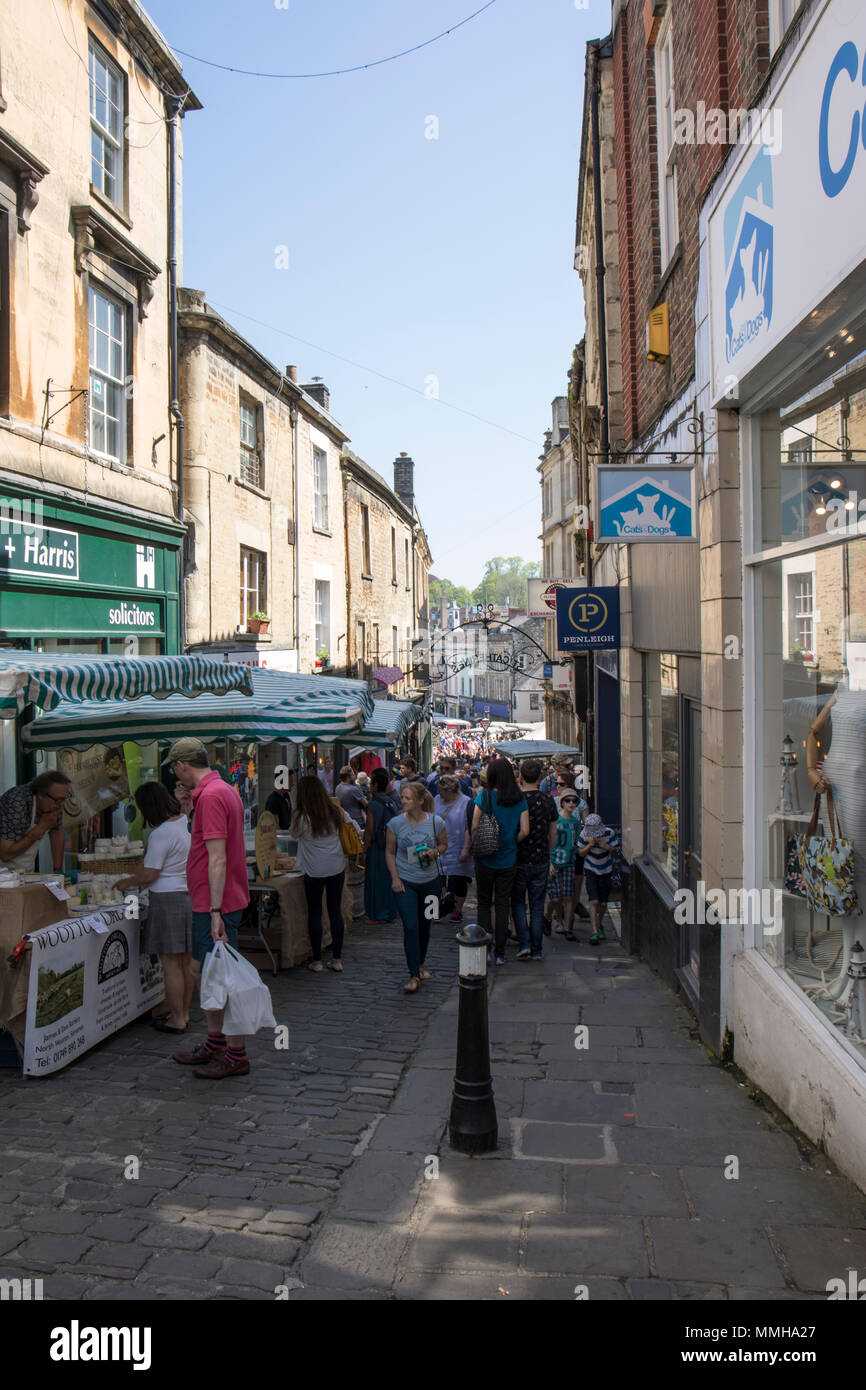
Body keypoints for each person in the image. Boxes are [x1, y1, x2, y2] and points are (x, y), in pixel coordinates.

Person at [166, 738, 251, 1081]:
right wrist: (189, 809)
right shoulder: (217, 790)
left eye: (174, 770)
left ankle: (236, 1053)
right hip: (215, 900)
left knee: (218, 977)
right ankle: (217, 1043)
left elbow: (217, 857)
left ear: (181, 766)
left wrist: (215, 911)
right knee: (205, 973)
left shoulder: (213, 795)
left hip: (216, 902)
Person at [115, 782, 192, 1034]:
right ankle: (185, 1012)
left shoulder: (160, 834)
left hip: (167, 900)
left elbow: (150, 874)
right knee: (186, 962)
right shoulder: (184, 822)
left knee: (170, 963)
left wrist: (126, 881)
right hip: (188, 895)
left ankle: (177, 1018)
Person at [386, 781, 447, 994]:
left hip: (431, 882)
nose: (403, 801)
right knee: (410, 925)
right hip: (406, 882)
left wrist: (434, 852)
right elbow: (389, 852)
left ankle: (420, 963)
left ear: (420, 800)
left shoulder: (436, 822)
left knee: (426, 924)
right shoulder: (395, 824)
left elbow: (443, 845)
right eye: (402, 797)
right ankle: (413, 974)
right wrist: (395, 878)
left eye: (408, 798)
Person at [292, 774, 354, 973]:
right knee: (335, 911)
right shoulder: (335, 811)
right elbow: (353, 825)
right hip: (336, 867)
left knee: (315, 912)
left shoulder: (302, 816)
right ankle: (337, 959)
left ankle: (317, 960)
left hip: (313, 870)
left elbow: (293, 834)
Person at [471, 758, 529, 965]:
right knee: (503, 903)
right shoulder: (519, 799)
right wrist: (511, 841)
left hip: (486, 857)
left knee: (485, 903)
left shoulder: (484, 797)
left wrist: (476, 846)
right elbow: (525, 831)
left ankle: (485, 948)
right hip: (508, 858)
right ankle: (500, 952)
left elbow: (475, 826)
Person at [512, 759, 558, 960]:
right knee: (538, 905)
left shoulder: (515, 800)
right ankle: (537, 949)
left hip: (518, 858)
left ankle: (525, 944)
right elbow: (553, 832)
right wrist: (549, 856)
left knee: (519, 903)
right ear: (540, 777)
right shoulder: (548, 800)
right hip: (540, 858)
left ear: (521, 776)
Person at [0, 769, 72, 873]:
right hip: (3, 875)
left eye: (64, 799)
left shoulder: (54, 802)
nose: (61, 805)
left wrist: (58, 871)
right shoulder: (16, 803)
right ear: (41, 795)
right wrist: (40, 828)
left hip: (25, 871)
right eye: (58, 800)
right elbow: (6, 854)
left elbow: (57, 832)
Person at [433, 774, 474, 924]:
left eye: (441, 791)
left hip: (458, 845)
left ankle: (457, 910)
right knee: (437, 880)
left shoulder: (466, 802)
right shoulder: (436, 800)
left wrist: (465, 849)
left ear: (449, 790)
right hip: (439, 845)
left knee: (458, 879)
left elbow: (469, 828)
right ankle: (435, 910)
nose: (438, 793)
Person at [362, 768, 401, 923]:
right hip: (390, 847)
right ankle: (390, 911)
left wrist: (364, 850)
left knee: (375, 881)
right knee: (388, 880)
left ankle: (378, 914)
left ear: (376, 786)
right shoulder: (391, 802)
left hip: (377, 848)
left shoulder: (373, 805)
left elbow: (369, 830)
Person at [578, 812, 618, 944]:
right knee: (594, 900)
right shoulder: (584, 834)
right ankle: (594, 931)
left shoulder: (609, 833)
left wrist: (606, 846)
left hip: (606, 869)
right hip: (591, 869)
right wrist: (590, 845)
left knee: (603, 903)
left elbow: (615, 850)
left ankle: (599, 924)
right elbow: (580, 853)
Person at [548, 788, 583, 940]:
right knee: (555, 897)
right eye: (568, 800)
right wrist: (549, 862)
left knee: (569, 896)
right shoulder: (555, 820)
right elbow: (549, 841)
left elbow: (576, 842)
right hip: (555, 861)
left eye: (574, 801)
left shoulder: (576, 822)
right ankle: (554, 919)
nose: (571, 803)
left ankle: (568, 927)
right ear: (561, 802)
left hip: (569, 862)